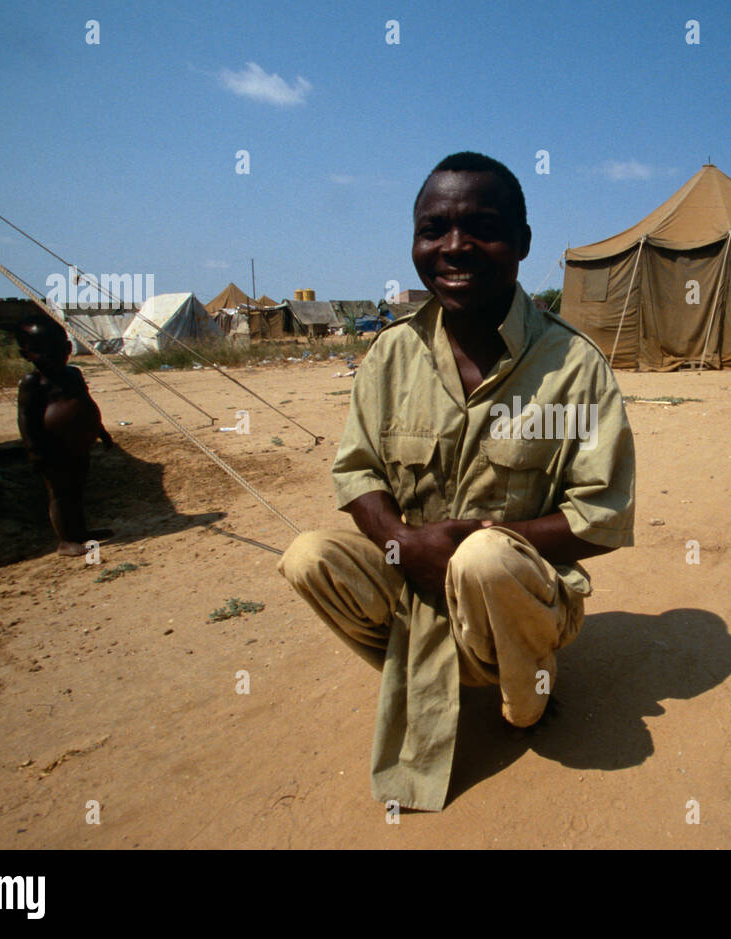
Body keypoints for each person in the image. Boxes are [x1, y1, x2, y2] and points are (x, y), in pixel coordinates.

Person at [278, 152, 636, 811]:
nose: (454, 247)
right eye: (433, 228)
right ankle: (426, 662)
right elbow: (356, 469)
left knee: (486, 559)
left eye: (482, 228)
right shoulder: (390, 355)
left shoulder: (573, 368)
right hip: (412, 578)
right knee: (307, 556)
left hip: (520, 590)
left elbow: (603, 514)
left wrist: (490, 540)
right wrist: (402, 542)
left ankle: (525, 691)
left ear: (523, 243)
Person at [15, 313, 114, 556]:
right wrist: (34, 451)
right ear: (25, 354)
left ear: (69, 347)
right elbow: (26, 418)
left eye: (56, 348)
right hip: (53, 449)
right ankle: (66, 540)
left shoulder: (73, 374)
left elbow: (86, 403)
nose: (50, 354)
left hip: (79, 444)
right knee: (60, 494)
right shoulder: (33, 382)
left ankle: (81, 531)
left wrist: (101, 431)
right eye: (40, 349)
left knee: (77, 489)